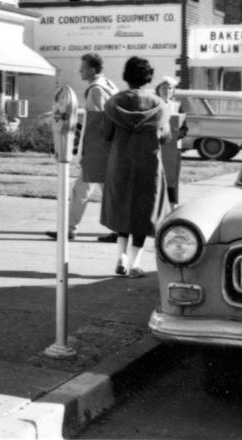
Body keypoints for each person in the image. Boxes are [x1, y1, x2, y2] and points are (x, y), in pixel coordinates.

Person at [101, 56, 170, 278]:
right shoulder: (159, 104)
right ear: (148, 77)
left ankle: (120, 256)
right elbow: (165, 137)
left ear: (126, 76)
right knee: (144, 210)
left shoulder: (113, 103)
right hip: (148, 163)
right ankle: (135, 263)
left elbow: (106, 134)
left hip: (121, 161)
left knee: (122, 207)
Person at [47, 52, 118, 242]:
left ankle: (69, 229)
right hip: (108, 148)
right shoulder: (108, 84)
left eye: (83, 68)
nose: (80, 71)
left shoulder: (95, 89)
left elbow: (96, 124)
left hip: (98, 150)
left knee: (82, 189)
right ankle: (117, 230)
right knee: (93, 190)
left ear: (92, 70)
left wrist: (85, 152)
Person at [156, 76, 187, 206]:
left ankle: (172, 205)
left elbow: (184, 129)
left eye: (170, 88)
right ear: (158, 90)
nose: (167, 91)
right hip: (157, 148)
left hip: (173, 149)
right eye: (164, 88)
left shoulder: (177, 106)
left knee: (172, 178)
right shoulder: (154, 104)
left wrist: (175, 135)